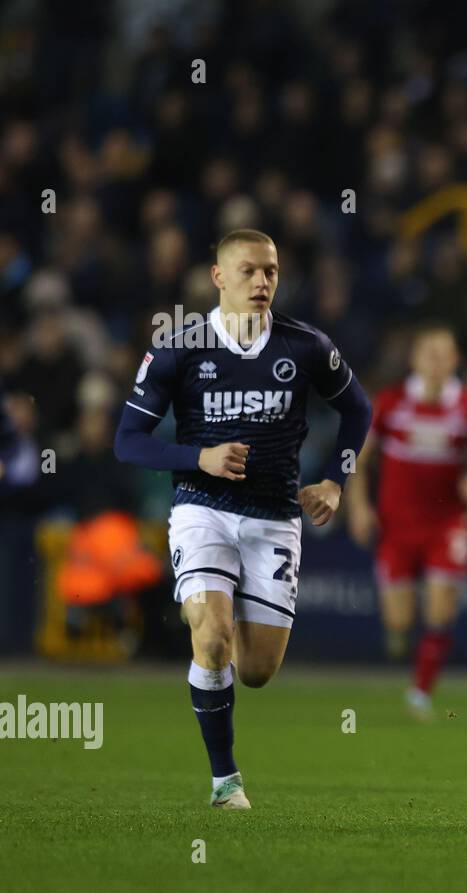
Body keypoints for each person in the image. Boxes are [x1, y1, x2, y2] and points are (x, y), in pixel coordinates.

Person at [115, 229, 372, 809]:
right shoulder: (179, 348)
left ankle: (219, 674)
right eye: (250, 271)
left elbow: (358, 409)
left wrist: (336, 479)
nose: (262, 282)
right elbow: (128, 441)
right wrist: (196, 457)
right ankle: (224, 780)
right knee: (211, 638)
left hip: (275, 515)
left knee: (255, 670)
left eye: (272, 272)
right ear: (218, 277)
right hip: (200, 509)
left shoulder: (305, 347)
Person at [345, 326, 467, 719]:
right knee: (400, 626)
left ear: (454, 360)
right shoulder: (391, 403)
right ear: (415, 360)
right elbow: (358, 458)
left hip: (447, 524)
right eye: (428, 354)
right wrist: (357, 507)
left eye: (443, 354)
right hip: (396, 526)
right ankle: (403, 645)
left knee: (439, 612)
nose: (436, 363)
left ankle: (420, 693)